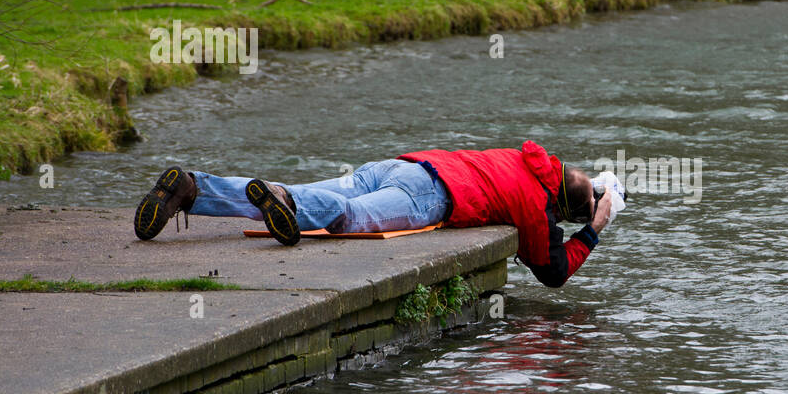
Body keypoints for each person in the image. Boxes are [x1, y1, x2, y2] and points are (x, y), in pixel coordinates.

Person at [132, 141, 614, 288]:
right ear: (566, 209)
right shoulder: (537, 208)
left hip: (400, 165)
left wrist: (586, 189)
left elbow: (566, 184)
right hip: (428, 196)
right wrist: (593, 230)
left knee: (303, 193)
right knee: (346, 218)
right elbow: (551, 271)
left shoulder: (524, 154)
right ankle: (285, 203)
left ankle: (193, 189)